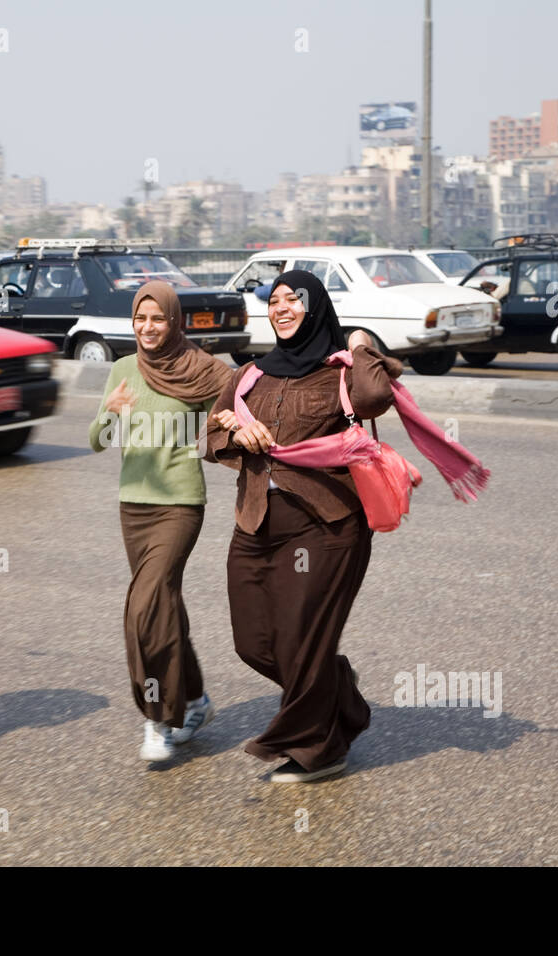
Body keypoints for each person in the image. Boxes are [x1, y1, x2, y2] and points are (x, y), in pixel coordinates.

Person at [201, 270, 402, 784]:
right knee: (253, 642)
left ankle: (319, 749)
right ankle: (338, 690)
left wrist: (359, 343)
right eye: (275, 300)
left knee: (298, 639)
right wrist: (234, 429)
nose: (281, 308)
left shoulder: (339, 372)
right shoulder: (251, 375)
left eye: (294, 299)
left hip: (327, 527)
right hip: (255, 522)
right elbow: (211, 439)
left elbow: (379, 396)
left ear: (315, 308)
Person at [88, 280, 234, 763]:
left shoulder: (198, 370)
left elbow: (241, 393)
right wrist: (108, 415)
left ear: (174, 321)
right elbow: (99, 439)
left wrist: (228, 426)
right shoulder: (123, 369)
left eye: (158, 319)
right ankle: (195, 701)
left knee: (143, 609)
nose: (148, 328)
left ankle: (157, 719)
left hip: (179, 506)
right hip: (133, 507)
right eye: (140, 319)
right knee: (164, 608)